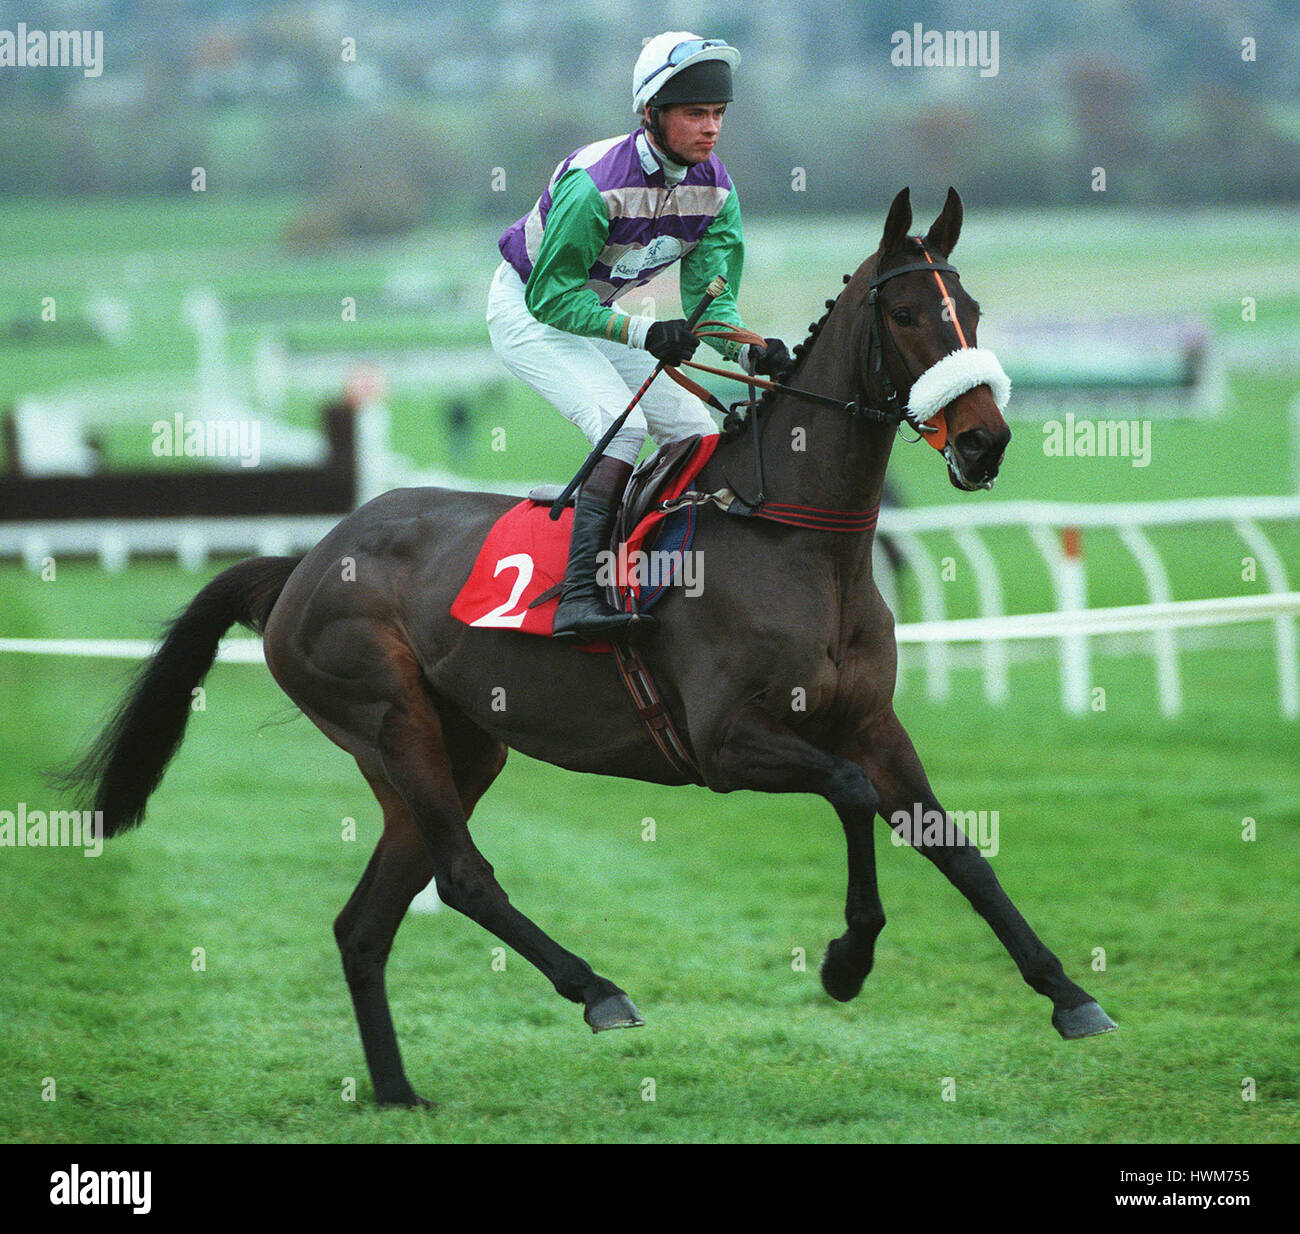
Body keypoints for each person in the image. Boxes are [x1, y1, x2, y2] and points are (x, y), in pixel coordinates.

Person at [488, 31, 792, 641]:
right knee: (621, 427)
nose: (711, 128)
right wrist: (646, 331)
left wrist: (750, 348)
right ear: (652, 113)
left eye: (718, 113)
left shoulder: (717, 190)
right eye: (695, 113)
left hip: (594, 312)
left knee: (697, 432)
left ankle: (671, 578)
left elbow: (710, 302)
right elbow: (551, 298)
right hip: (529, 309)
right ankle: (579, 595)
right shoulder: (594, 183)